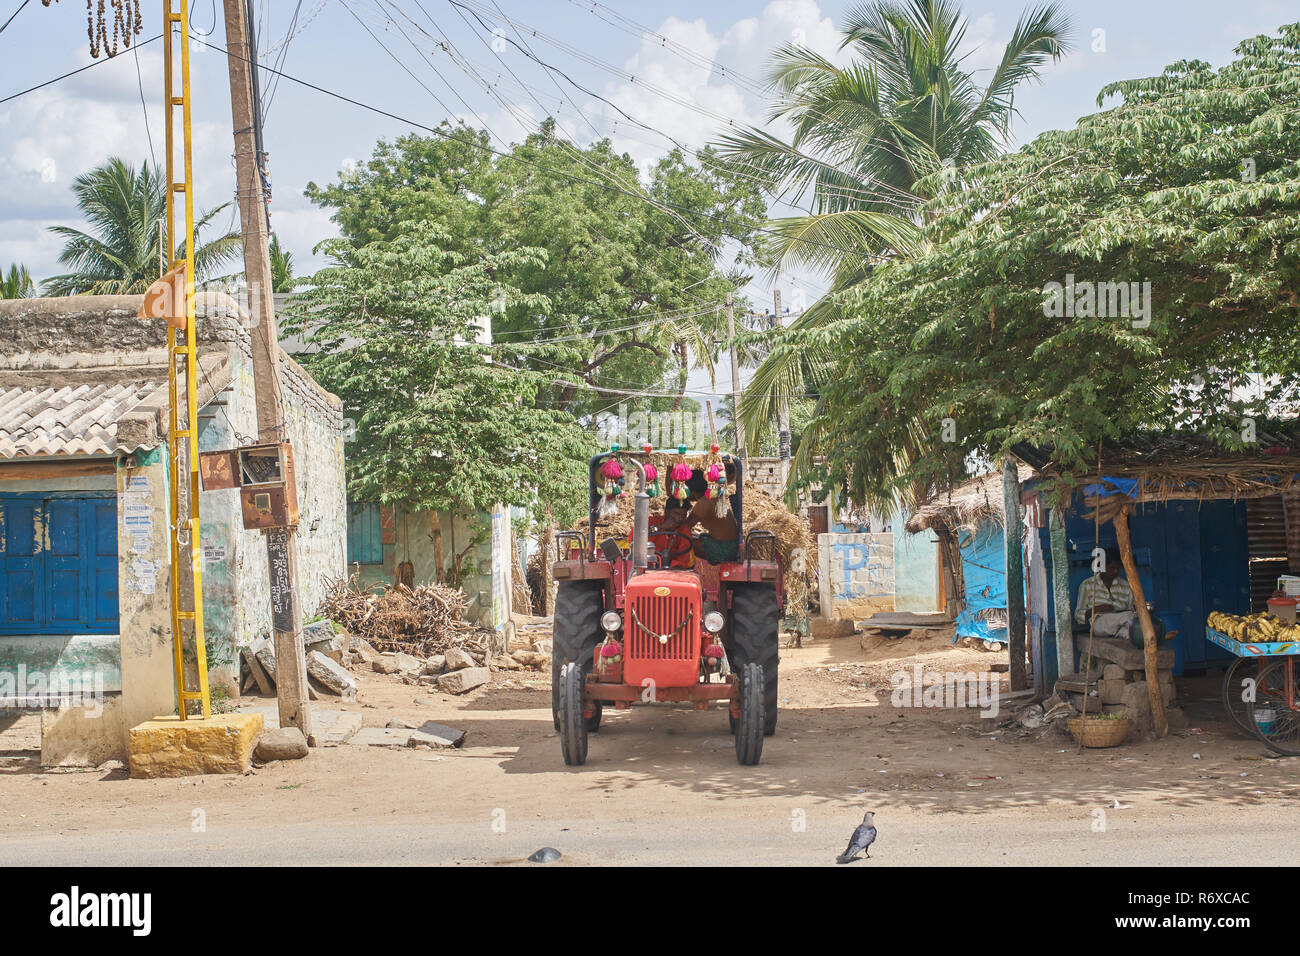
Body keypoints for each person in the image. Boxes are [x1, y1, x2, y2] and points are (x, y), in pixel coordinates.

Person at [1075, 546, 1136, 638]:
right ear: (1102, 566)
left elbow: (1131, 609)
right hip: (1099, 623)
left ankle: (1122, 634)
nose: (1115, 571)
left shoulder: (1126, 586)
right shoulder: (1087, 585)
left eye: (1118, 568)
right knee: (1130, 617)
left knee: (1132, 623)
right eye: (1112, 568)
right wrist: (1097, 609)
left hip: (1123, 621)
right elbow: (1078, 615)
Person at [686, 469, 738, 565]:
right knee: (694, 536)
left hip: (726, 549)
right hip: (731, 544)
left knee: (685, 542)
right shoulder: (712, 497)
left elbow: (685, 527)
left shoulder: (703, 502)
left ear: (691, 491)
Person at [648, 500, 695, 569]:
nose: (680, 518)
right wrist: (659, 527)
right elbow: (633, 538)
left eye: (683, 515)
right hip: (647, 565)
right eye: (676, 514)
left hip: (672, 569)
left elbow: (684, 560)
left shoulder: (684, 530)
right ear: (666, 512)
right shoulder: (652, 522)